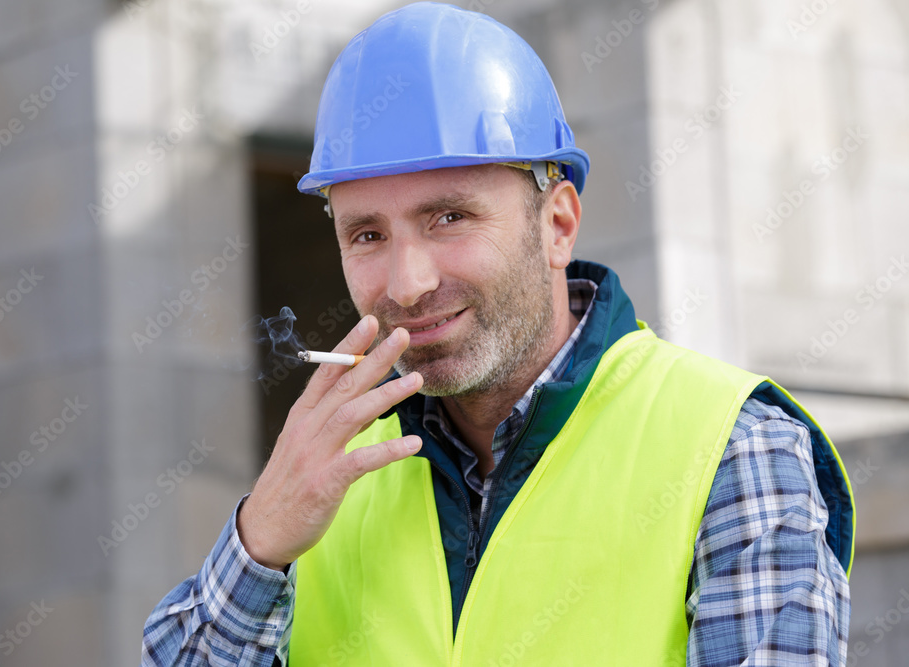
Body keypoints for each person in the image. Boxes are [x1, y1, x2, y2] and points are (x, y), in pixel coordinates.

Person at [142, 3, 855, 665]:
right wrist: (259, 543)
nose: (406, 282)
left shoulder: (734, 450)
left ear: (558, 224)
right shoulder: (325, 478)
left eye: (448, 217)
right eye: (366, 233)